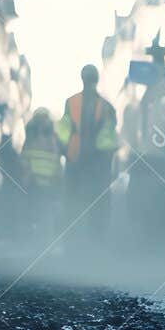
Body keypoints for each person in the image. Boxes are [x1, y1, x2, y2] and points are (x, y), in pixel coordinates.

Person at [55, 63, 119, 242]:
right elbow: (110, 139)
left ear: (82, 79)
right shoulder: (107, 107)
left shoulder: (71, 102)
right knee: (96, 208)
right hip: (96, 168)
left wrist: (65, 151)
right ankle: (94, 243)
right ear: (96, 80)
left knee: (72, 206)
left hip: (76, 164)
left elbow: (63, 132)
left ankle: (74, 242)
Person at [21, 108, 63, 239]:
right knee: (45, 213)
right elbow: (57, 161)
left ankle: (37, 237)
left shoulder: (31, 135)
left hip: (35, 182)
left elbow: (25, 157)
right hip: (47, 183)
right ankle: (44, 239)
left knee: (37, 212)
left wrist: (25, 177)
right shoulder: (53, 137)